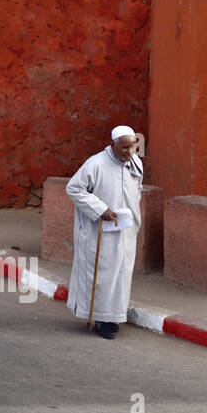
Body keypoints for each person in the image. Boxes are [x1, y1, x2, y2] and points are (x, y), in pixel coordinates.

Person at [65, 126, 144, 340]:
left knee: (122, 274)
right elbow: (74, 188)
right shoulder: (95, 164)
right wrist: (101, 210)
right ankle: (100, 319)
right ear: (113, 145)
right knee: (102, 273)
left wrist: (131, 215)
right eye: (124, 147)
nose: (129, 152)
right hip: (99, 230)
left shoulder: (135, 162)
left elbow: (137, 188)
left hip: (125, 230)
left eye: (132, 147)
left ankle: (114, 315)